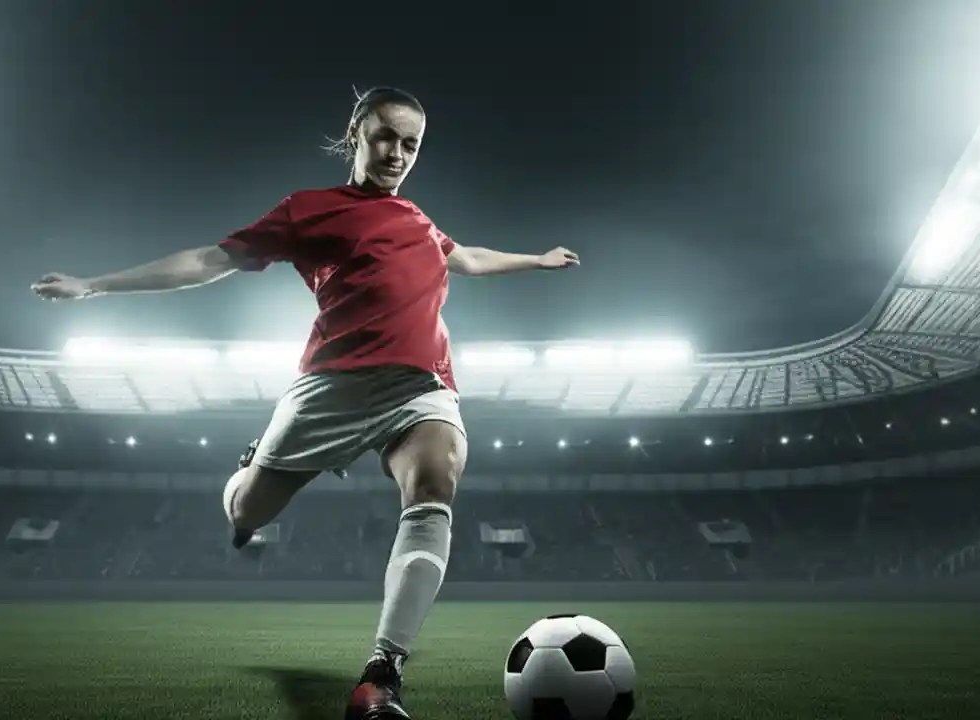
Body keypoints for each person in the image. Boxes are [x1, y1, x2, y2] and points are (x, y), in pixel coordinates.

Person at [32, 86, 579, 720]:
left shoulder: (421, 222)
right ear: (355, 134)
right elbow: (211, 259)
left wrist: (537, 259)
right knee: (249, 510)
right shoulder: (309, 210)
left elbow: (471, 259)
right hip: (331, 386)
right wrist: (95, 286)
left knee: (439, 473)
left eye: (411, 144)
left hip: (420, 385)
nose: (397, 153)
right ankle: (247, 478)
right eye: (385, 136)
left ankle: (381, 674)